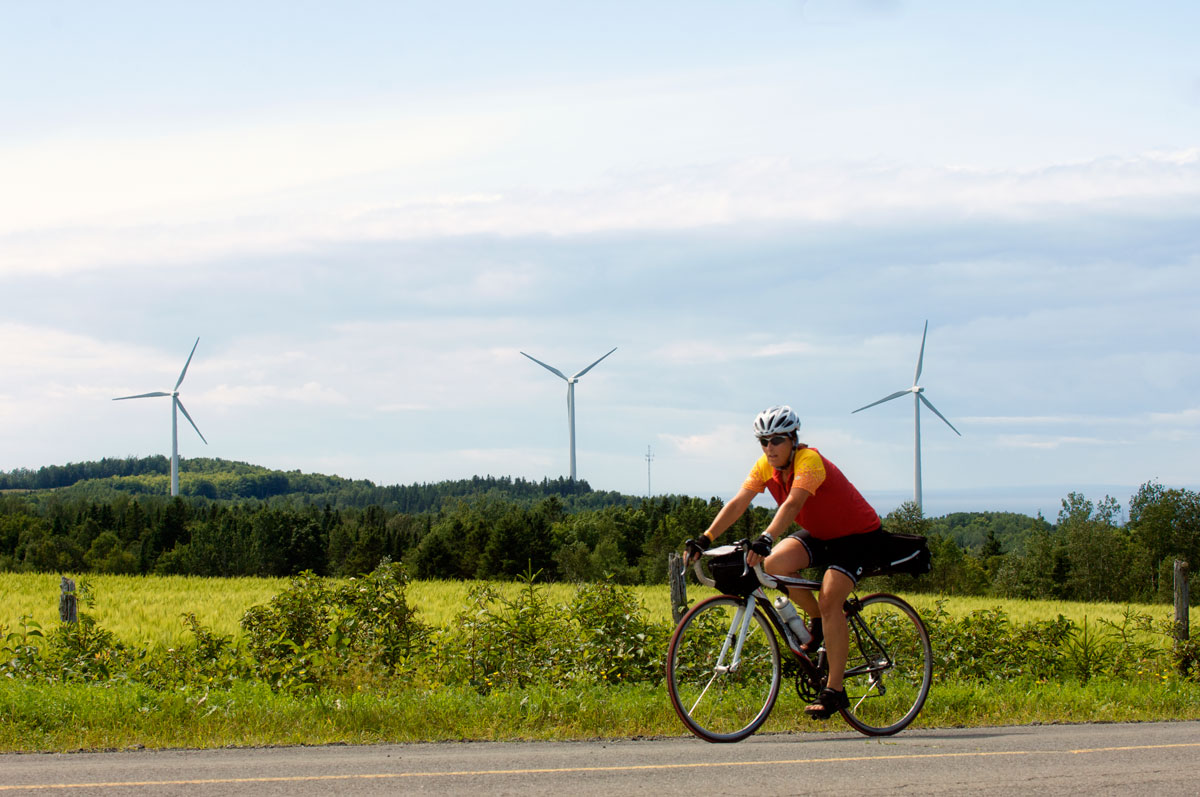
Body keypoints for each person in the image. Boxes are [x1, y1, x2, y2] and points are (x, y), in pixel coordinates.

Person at [684, 405, 888, 719]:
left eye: (776, 440)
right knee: (775, 565)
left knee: (830, 597)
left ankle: (835, 690)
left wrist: (766, 537)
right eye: (763, 441)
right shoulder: (765, 465)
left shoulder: (810, 461)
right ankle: (819, 623)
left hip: (857, 536)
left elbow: (793, 502)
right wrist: (706, 537)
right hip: (823, 534)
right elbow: (739, 501)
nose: (769, 448)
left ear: (793, 439)